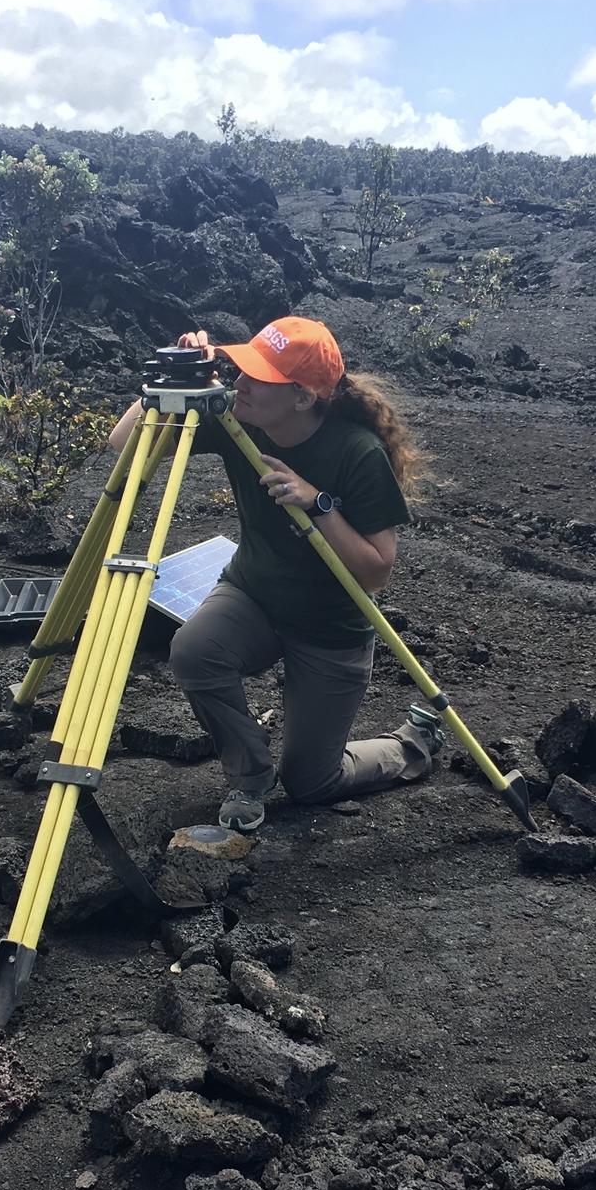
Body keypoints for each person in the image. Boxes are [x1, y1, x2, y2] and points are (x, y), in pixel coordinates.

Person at [108, 315, 442, 832]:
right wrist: (177, 380)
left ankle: (414, 742)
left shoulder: (357, 452)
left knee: (312, 783)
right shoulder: (235, 421)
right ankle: (249, 776)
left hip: (330, 629)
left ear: (304, 397)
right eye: (240, 368)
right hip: (254, 595)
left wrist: (320, 504)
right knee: (194, 651)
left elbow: (376, 573)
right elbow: (122, 442)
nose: (239, 382)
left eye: (257, 375)